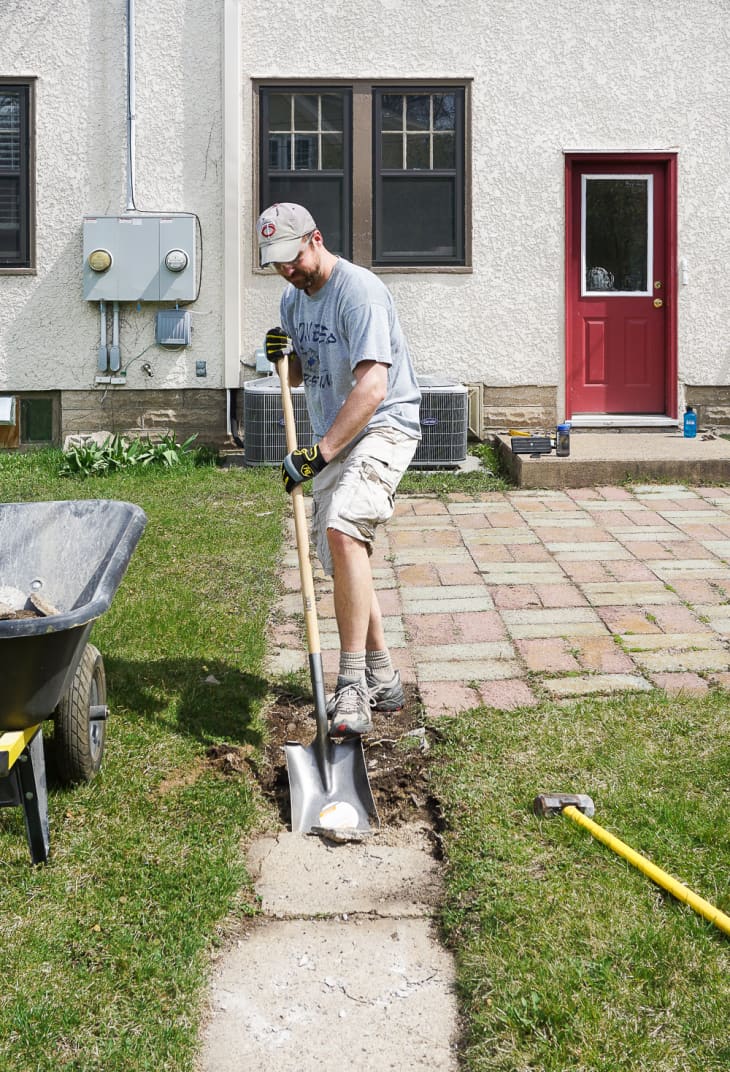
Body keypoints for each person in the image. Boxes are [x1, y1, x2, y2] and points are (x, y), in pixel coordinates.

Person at [257, 202, 421, 740]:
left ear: (316, 239)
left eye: (292, 258)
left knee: (344, 526)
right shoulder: (292, 298)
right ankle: (384, 675)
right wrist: (283, 358)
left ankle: (349, 685)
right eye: (276, 262)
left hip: (383, 426)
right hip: (337, 433)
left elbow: (372, 388)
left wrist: (318, 454)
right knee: (342, 557)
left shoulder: (360, 292)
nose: (286, 270)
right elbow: (306, 371)